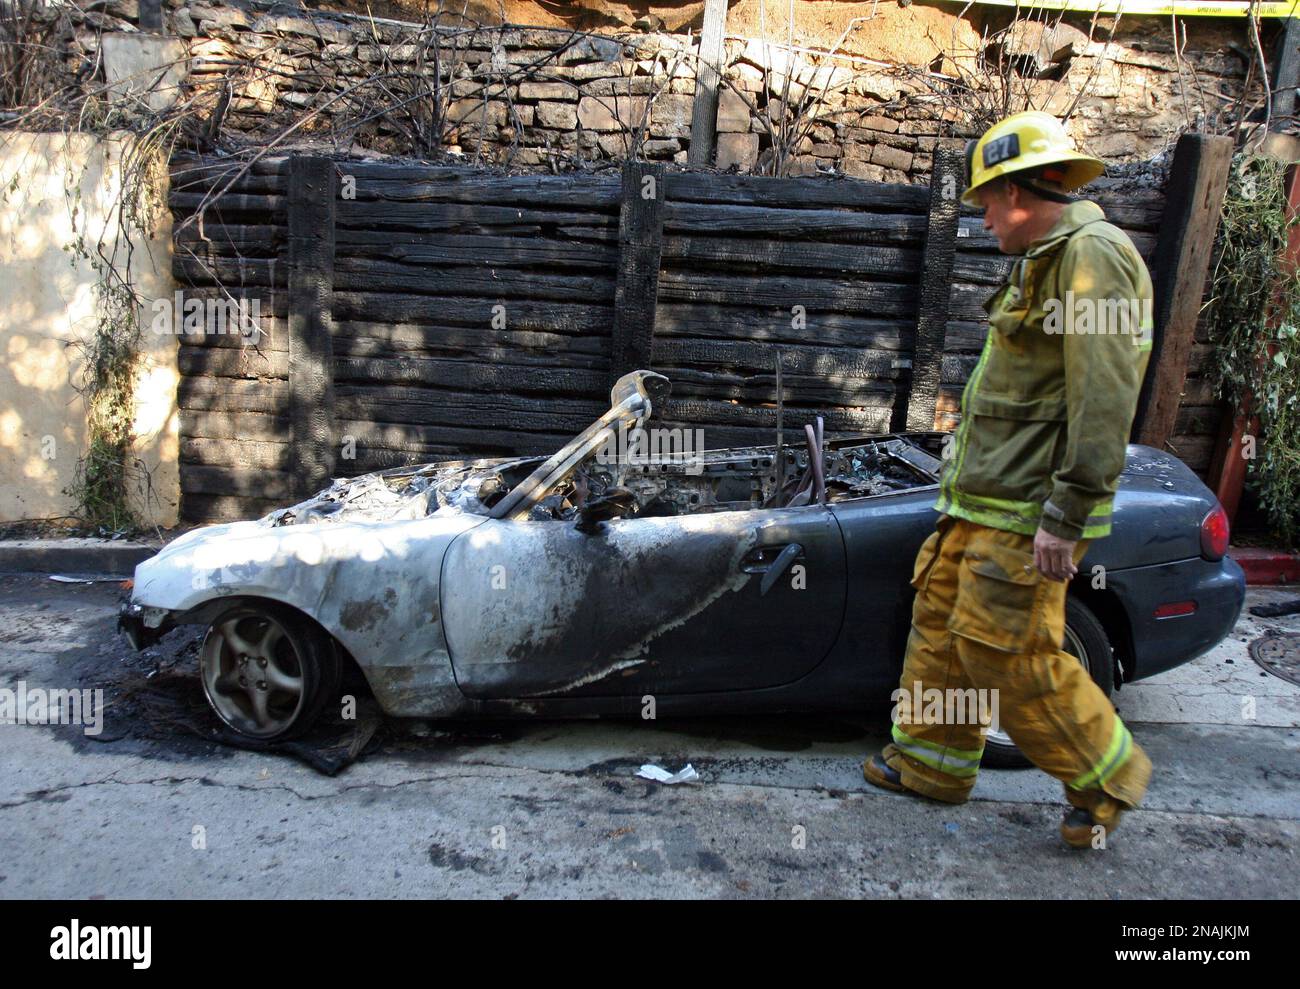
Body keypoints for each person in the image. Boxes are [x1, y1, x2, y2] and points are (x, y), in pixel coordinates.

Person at [862, 111, 1155, 848]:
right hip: (980, 503)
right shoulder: (1043, 259)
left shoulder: (1094, 257)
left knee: (1007, 652)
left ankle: (1106, 779)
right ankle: (932, 764)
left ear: (1022, 193)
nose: (983, 218)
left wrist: (1070, 510)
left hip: (1027, 512)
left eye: (988, 201)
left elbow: (1104, 396)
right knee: (942, 633)